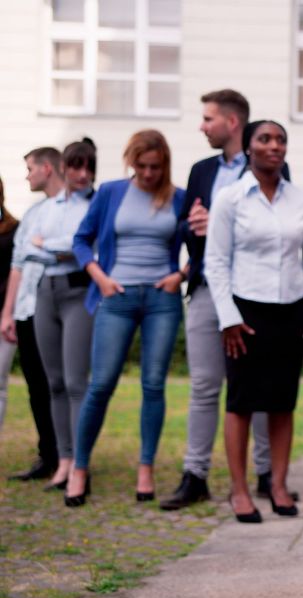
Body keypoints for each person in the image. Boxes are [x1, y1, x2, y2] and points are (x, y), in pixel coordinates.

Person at [160, 89, 288, 511]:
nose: (202, 125)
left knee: (260, 387)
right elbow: (182, 228)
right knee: (203, 385)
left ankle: (268, 475)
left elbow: (278, 224)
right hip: (204, 289)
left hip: (254, 294)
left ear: (233, 123)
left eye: (208, 118)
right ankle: (194, 475)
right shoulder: (200, 171)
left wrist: (219, 221)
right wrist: (193, 225)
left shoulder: (273, 166)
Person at [205, 120, 303, 523]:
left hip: (291, 308)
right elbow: (215, 262)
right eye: (265, 139)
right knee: (241, 403)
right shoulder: (230, 198)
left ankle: (279, 485)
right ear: (249, 147)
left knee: (283, 403)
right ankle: (239, 491)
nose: (274, 146)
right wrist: (228, 318)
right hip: (245, 312)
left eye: (280, 139)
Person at [65, 130, 185, 507]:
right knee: (100, 384)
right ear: (130, 162)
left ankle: (145, 467)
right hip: (116, 296)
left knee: (153, 385)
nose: (148, 174)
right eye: (141, 166)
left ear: (164, 163)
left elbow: (202, 246)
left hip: (161, 299)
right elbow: (81, 240)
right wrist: (100, 278)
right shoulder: (112, 192)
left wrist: (180, 275)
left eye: (155, 167)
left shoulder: (178, 198)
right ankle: (79, 467)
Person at [31, 139, 98, 492]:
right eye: (76, 166)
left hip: (79, 292)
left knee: (76, 383)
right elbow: (30, 243)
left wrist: (53, 246)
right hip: (47, 292)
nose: (83, 174)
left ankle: (80, 464)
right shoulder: (49, 206)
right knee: (53, 382)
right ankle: (64, 458)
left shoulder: (96, 204)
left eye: (89, 167)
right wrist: (58, 247)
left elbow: (82, 246)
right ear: (63, 168)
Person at [1, 149, 58, 481]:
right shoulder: (33, 214)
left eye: (30, 169)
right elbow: (18, 266)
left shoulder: (61, 210)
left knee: (59, 385)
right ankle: (47, 455)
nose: (26, 175)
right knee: (36, 386)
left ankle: (67, 456)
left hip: (48, 308)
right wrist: (9, 311)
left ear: (46, 169)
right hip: (24, 309)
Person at [0, 176, 22, 436]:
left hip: (4, 314)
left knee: (0, 384)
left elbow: (17, 272)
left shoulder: (14, 228)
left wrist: (8, 312)